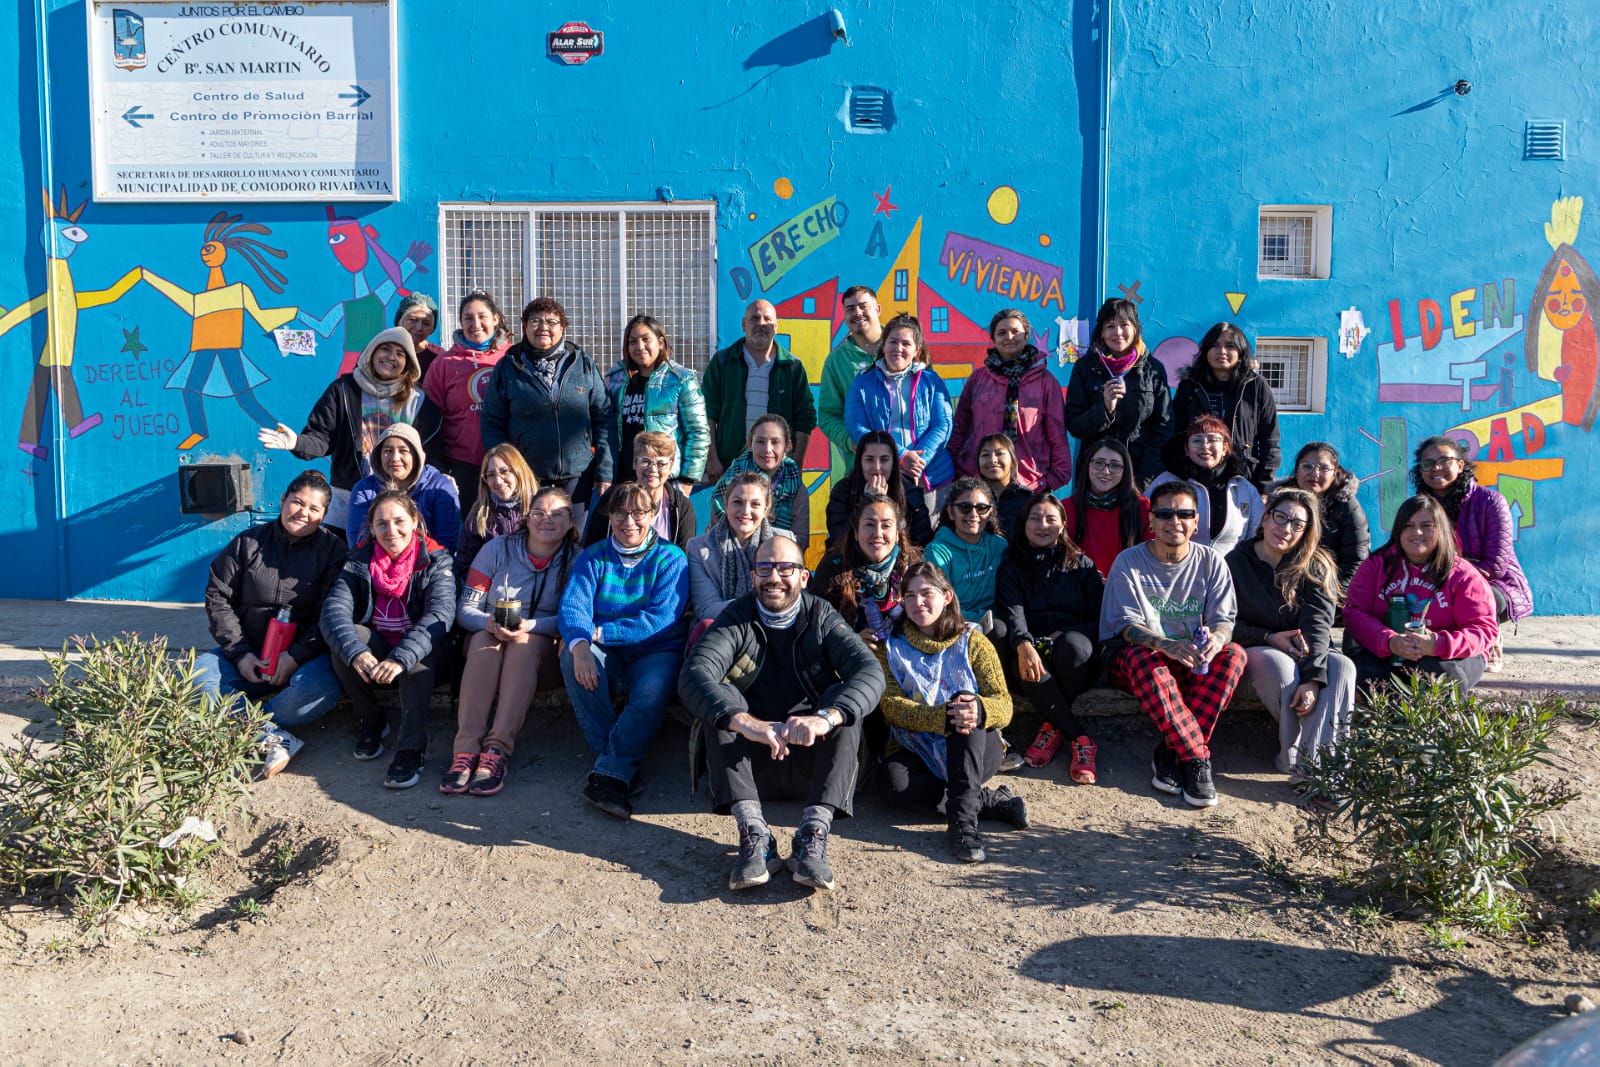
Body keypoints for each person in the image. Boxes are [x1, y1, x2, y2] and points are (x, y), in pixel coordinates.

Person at [679, 534, 886, 891]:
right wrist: (747, 723)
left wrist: (825, 719)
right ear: (754, 575)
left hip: (814, 764)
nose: (774, 577)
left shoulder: (822, 615)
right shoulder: (736, 617)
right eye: (765, 568)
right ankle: (755, 836)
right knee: (722, 701)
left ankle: (813, 835)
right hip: (750, 766)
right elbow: (694, 675)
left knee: (842, 701)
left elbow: (870, 673)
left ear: (804, 577)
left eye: (786, 568)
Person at [1100, 481, 1246, 808]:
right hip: (1140, 663)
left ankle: (1171, 751)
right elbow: (1125, 628)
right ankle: (1196, 759)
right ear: (1150, 520)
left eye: (1184, 514)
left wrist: (1216, 641)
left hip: (1192, 660)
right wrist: (1166, 644)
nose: (1174, 521)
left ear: (1197, 522)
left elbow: (1224, 622)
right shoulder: (1129, 561)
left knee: (1233, 655)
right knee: (1143, 657)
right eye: (1165, 513)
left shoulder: (1211, 562)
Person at [196, 470, 349, 778]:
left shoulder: (334, 552)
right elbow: (218, 597)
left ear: (324, 514)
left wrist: (294, 657)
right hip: (248, 649)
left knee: (319, 690)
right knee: (194, 678)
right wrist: (239, 653)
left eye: (314, 508)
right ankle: (270, 735)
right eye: (297, 502)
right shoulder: (247, 543)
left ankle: (238, 723)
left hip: (304, 658)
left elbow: (331, 613)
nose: (303, 513)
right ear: (282, 500)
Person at [875, 562, 1030, 863]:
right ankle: (986, 800)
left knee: (965, 706)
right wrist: (939, 717)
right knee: (892, 783)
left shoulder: (974, 641)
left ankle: (963, 827)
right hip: (917, 746)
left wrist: (977, 710)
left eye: (926, 593)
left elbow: (1004, 703)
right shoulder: (890, 647)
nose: (918, 602)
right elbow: (890, 704)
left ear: (947, 596)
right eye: (909, 595)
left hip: (975, 747)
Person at [558, 482, 690, 820]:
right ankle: (617, 768)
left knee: (651, 691)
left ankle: (609, 772)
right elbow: (573, 608)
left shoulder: (671, 558)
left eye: (638, 513)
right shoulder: (594, 556)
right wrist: (581, 644)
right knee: (571, 657)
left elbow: (660, 618)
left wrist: (600, 631)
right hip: (604, 650)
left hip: (656, 650)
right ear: (609, 515)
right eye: (620, 513)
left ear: (652, 514)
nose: (628, 521)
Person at [447, 486, 581, 796]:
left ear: (571, 522)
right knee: (483, 641)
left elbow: (574, 618)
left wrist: (531, 626)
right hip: (490, 639)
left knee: (524, 645)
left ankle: (496, 750)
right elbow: (465, 609)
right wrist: (488, 622)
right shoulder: (496, 550)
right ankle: (465, 751)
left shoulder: (577, 559)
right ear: (527, 517)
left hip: (539, 654)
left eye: (558, 514)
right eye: (539, 513)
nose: (546, 520)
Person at [321, 490, 455, 789]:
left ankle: (411, 749)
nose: (391, 531)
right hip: (380, 648)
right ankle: (371, 720)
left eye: (399, 521)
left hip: (429, 656)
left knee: (419, 660)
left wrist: (400, 657)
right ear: (371, 528)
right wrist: (356, 652)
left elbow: (439, 616)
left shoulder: (436, 560)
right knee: (346, 640)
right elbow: (334, 610)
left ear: (415, 522)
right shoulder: (359, 560)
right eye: (381, 524)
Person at [1225, 488, 1355, 783]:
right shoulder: (1236, 561)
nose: (1285, 529)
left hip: (1305, 650)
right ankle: (1293, 757)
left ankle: (1325, 770)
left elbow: (1319, 626)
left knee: (1343, 666)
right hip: (1257, 649)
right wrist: (1270, 636)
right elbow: (1224, 622)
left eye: (1297, 525)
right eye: (1280, 518)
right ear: (1266, 517)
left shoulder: (1315, 565)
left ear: (1307, 532)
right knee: (1280, 665)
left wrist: (1312, 679)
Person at [258, 327, 441, 530]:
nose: (391, 357)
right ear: (372, 352)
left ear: (408, 363)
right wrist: (297, 443)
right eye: (385, 349)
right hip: (346, 504)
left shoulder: (419, 401)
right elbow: (321, 437)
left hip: (399, 507)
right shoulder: (343, 390)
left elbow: (431, 454)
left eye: (400, 354)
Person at [994, 492, 1105, 783]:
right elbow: (1012, 612)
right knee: (1029, 658)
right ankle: (1080, 738)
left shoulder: (1082, 565)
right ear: (1023, 523)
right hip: (1032, 655)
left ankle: (1052, 729)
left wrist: (1070, 632)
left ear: (1063, 524)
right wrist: (1024, 643)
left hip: (1076, 657)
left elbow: (1103, 618)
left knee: (1074, 646)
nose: (1042, 525)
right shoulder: (1011, 566)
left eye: (1050, 519)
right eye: (1035, 518)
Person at [1344, 494, 1498, 697]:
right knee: (1365, 672)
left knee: (1440, 675)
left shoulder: (1463, 574)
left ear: (1441, 530)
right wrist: (1390, 641)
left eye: (1427, 525)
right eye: (1408, 525)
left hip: (1449, 656)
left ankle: (1443, 726)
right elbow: (1354, 612)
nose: (1417, 532)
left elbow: (1483, 629)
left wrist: (1436, 644)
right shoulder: (1377, 565)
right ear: (1398, 531)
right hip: (1390, 651)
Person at [480, 298, 614, 528]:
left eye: (552, 322)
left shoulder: (582, 363)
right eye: (535, 321)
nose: (543, 327)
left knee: (574, 540)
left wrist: (605, 470)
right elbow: (492, 421)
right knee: (533, 538)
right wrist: (505, 469)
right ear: (524, 326)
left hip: (578, 475)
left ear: (562, 328)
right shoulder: (508, 367)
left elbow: (604, 417)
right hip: (527, 475)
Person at [1410, 435, 1532, 669]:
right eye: (1428, 463)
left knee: (1475, 598)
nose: (1436, 468)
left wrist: (1452, 578)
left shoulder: (1490, 501)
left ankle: (1489, 639)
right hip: (1436, 580)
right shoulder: (1419, 507)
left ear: (1460, 465)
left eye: (1444, 461)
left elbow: (1495, 566)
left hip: (1494, 584)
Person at [844, 313, 955, 520]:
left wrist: (918, 462)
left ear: (917, 350)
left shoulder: (932, 382)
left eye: (906, 343)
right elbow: (856, 426)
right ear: (883, 345)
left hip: (930, 476)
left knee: (927, 540)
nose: (899, 348)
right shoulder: (862, 384)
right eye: (893, 342)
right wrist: (901, 457)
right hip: (882, 477)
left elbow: (943, 425)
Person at [950, 308, 1073, 492]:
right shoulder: (977, 379)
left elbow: (1057, 435)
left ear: (1026, 336)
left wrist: (1051, 481)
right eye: (1002, 332)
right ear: (993, 338)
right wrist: (954, 471)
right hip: (977, 484)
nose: (1009, 337)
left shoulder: (1045, 382)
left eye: (1016, 332)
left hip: (1028, 486)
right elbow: (960, 427)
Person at [420, 290, 513, 515]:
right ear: (460, 322)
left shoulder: (514, 358)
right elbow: (429, 421)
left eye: (482, 316)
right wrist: (439, 466)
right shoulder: (444, 364)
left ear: (495, 318)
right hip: (461, 465)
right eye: (468, 318)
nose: (476, 324)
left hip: (508, 467)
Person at [1064, 297, 1172, 488]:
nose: (1118, 332)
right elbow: (1074, 425)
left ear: (1135, 329)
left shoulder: (1152, 369)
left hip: (1138, 475)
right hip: (1095, 476)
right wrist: (1105, 409)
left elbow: (1163, 427)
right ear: (1102, 332)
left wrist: (1143, 481)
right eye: (1110, 326)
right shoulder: (1086, 367)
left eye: (1124, 325)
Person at [703, 300, 817, 477]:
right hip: (731, 466)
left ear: (776, 326)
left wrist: (797, 463)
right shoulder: (722, 362)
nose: (761, 324)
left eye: (767, 319)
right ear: (743, 324)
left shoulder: (792, 366)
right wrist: (713, 459)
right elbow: (706, 414)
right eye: (754, 318)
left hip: (777, 467)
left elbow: (805, 417)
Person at [1171, 322, 1280, 492]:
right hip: (1196, 479)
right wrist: (1182, 475)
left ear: (1241, 351)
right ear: (1206, 350)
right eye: (1215, 346)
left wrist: (1264, 486)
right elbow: (1177, 434)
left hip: (1243, 479)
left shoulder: (1255, 385)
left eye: (1230, 346)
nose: (1221, 352)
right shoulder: (1190, 385)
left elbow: (1270, 440)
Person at [605, 314, 710, 487]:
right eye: (632, 341)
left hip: (664, 480)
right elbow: (604, 429)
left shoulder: (681, 380)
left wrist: (687, 479)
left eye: (646, 339)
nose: (640, 346)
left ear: (660, 342)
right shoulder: (615, 380)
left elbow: (698, 432)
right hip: (623, 479)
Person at [689, 471, 791, 638]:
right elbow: (707, 608)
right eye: (737, 502)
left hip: (772, 630)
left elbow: (792, 597)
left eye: (755, 504)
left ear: (766, 509)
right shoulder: (698, 548)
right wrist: (764, 604)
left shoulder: (785, 542)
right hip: (721, 633)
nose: (745, 511)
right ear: (726, 504)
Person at [1148, 414, 1263, 559]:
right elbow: (1146, 525)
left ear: (1225, 448)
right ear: (1186, 449)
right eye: (1197, 440)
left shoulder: (1244, 488)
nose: (1205, 446)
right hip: (1176, 570)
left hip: (1231, 574)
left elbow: (1257, 535)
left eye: (1213, 440)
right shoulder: (1165, 482)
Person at [814, 493, 921, 646]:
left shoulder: (913, 567)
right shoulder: (834, 567)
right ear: (856, 533)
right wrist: (852, 640)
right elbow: (817, 627)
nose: (878, 533)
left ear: (897, 534)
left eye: (886, 526)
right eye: (869, 525)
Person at [346, 422, 461, 552]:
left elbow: (445, 545)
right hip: (377, 565)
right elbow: (358, 543)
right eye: (388, 451)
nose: (395, 458)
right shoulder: (364, 490)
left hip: (427, 566)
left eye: (403, 451)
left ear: (417, 456)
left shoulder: (440, 488)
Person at [1274, 441, 1369, 590]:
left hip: (1328, 590)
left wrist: (1333, 597)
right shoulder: (1278, 501)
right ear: (1296, 469)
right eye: (1307, 466)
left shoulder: (1347, 506)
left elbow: (1357, 560)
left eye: (1324, 468)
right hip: (1278, 586)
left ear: (1335, 473)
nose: (1315, 474)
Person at [583, 431, 697, 550]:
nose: (653, 469)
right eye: (645, 461)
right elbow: (592, 549)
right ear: (634, 462)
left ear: (671, 466)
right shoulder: (612, 499)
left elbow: (684, 557)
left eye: (661, 464)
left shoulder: (682, 508)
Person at [710, 414, 810, 546]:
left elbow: (799, 540)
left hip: (779, 560)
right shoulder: (729, 482)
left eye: (775, 442)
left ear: (787, 446)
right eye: (760, 442)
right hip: (729, 555)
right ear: (749, 444)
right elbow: (717, 532)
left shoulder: (796, 487)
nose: (767, 449)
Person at [923, 478, 1007, 635]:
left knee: (1001, 629)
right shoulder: (936, 551)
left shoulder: (999, 546)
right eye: (964, 507)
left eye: (981, 508)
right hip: (954, 623)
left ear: (990, 512)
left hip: (995, 621)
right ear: (950, 512)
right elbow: (941, 604)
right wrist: (979, 618)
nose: (973, 514)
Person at [824, 430, 934, 548]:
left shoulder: (910, 493)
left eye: (884, 460)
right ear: (860, 462)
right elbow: (840, 538)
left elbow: (921, 541)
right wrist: (868, 503)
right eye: (869, 460)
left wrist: (886, 504)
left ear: (893, 463)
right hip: (851, 561)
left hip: (900, 561)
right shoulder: (843, 491)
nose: (877, 468)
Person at [1065, 438, 1151, 579]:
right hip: (1078, 592)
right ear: (1088, 465)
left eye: (1115, 466)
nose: (1106, 471)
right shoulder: (1066, 508)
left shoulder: (1143, 508)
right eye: (1099, 463)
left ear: (1125, 470)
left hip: (1127, 590)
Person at [818, 285, 884, 463]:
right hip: (861, 467)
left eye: (864, 306)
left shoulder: (903, 348)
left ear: (878, 309)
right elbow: (827, 415)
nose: (857, 312)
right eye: (850, 308)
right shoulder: (836, 362)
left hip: (907, 466)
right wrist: (850, 441)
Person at [454, 443, 537, 578]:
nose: (498, 481)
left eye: (504, 471)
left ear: (519, 470)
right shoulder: (479, 515)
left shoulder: (540, 507)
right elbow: (464, 566)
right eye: (491, 475)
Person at [974, 433, 1035, 536]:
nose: (992, 460)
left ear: (1012, 462)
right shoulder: (969, 497)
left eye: (999, 454)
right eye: (985, 455)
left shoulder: (1028, 499)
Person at [394, 292, 446, 379]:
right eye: (413, 320)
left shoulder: (438, 356)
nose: (419, 328)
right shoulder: (384, 350)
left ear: (432, 329)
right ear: (399, 321)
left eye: (426, 323)